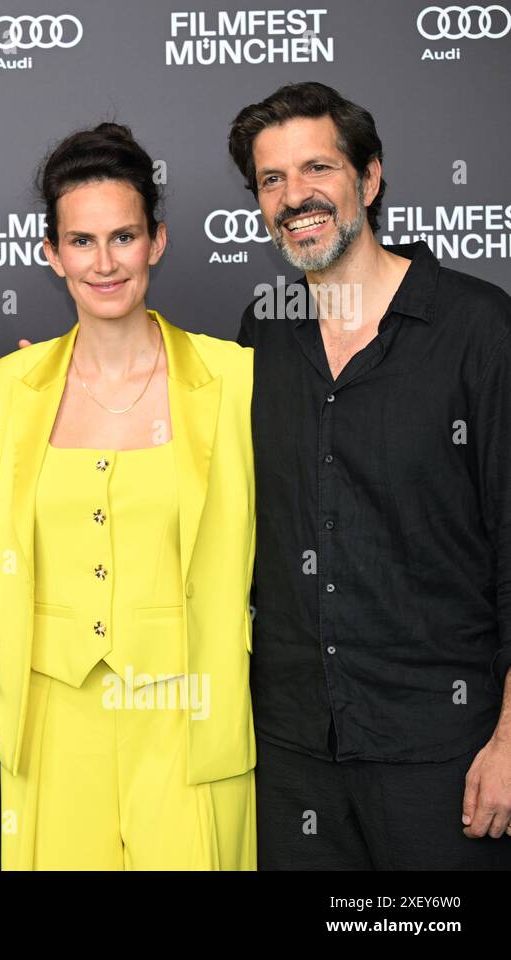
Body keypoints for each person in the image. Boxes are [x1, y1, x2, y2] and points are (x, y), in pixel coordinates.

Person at [231, 81, 511, 868]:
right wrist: (53, 381)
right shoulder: (263, 332)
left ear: (371, 176)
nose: (296, 197)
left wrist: (510, 743)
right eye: (272, 180)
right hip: (294, 756)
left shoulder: (478, 329)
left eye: (316, 168)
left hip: (444, 755)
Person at [0, 124, 256, 869]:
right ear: (51, 253)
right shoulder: (8, 390)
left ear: (156, 242)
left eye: (123, 237)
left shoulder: (234, 380)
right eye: (81, 241)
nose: (104, 263)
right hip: (49, 717)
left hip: (188, 712)